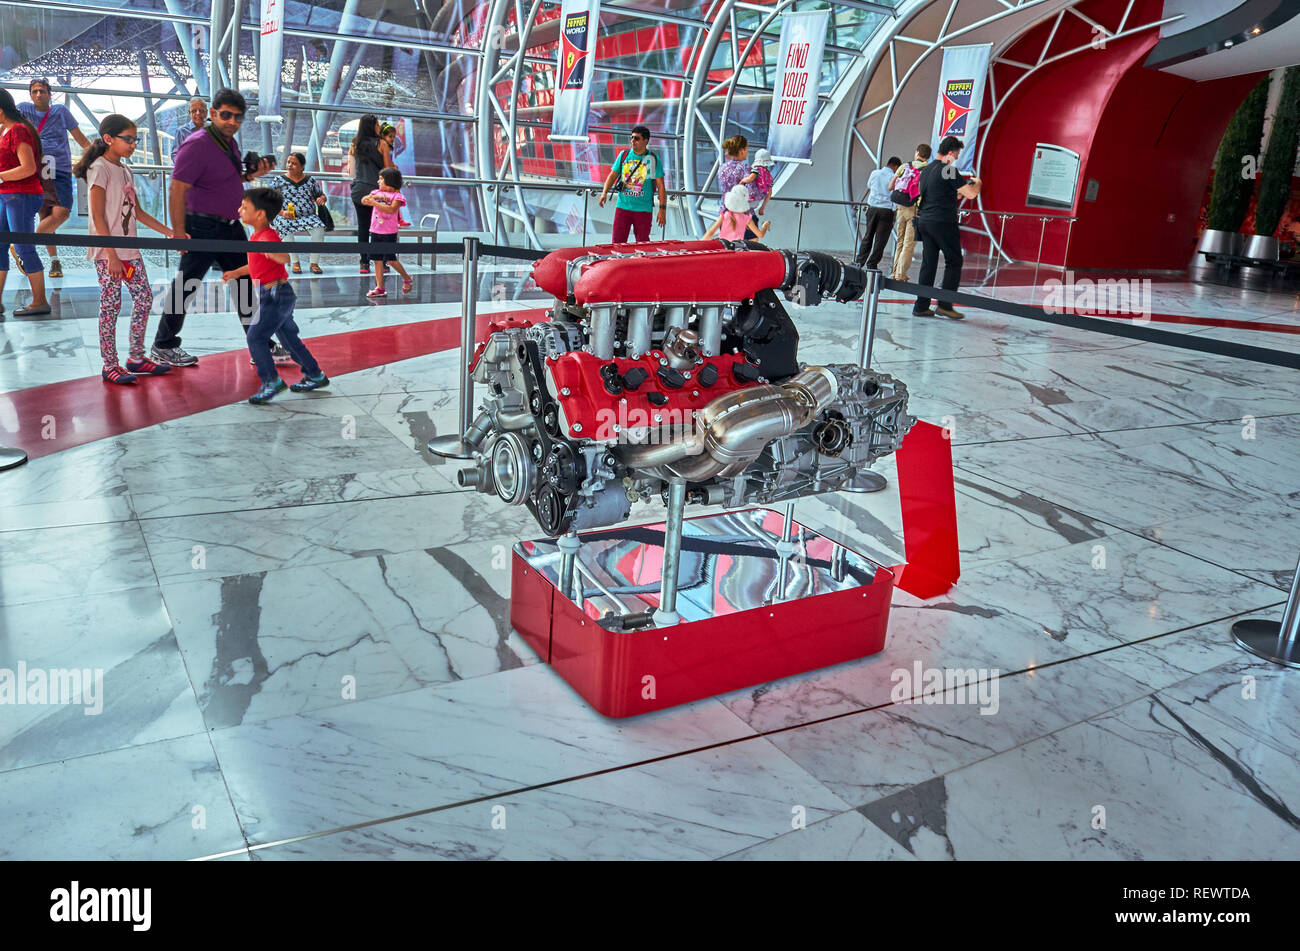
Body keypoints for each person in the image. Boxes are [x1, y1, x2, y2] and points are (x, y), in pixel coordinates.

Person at [151, 87, 277, 368]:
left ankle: (260, 342)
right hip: (202, 226)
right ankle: (163, 344)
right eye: (226, 115)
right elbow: (176, 189)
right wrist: (179, 232)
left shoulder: (227, 143)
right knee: (186, 285)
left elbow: (229, 178)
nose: (232, 121)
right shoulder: (197, 144)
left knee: (243, 283)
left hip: (229, 226)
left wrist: (253, 174)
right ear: (212, 113)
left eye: (238, 117)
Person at [75, 114, 174, 384]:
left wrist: (169, 232)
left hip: (130, 252)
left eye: (135, 140)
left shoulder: (125, 170)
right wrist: (111, 255)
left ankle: (136, 357)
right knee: (111, 305)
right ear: (109, 139)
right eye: (127, 139)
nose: (132, 144)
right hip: (110, 253)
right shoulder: (99, 168)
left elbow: (137, 213)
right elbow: (97, 216)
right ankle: (109, 365)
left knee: (143, 299)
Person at [221, 187, 329, 404]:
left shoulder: (267, 236)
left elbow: (285, 257)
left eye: (245, 207)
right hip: (276, 293)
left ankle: (272, 381)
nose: (239, 209)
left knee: (255, 336)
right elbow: (255, 266)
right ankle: (315, 374)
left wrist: (274, 254)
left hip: (276, 294)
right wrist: (235, 273)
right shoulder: (256, 236)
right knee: (289, 340)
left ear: (260, 213)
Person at [19, 79, 92, 279]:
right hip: (37, 170)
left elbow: (81, 139)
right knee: (46, 217)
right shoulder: (23, 109)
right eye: (34, 91)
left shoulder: (60, 111)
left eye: (42, 91)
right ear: (30, 94)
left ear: (50, 94)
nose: (38, 95)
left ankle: (23, 245)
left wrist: (93, 158)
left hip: (60, 169)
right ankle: (54, 262)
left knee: (62, 212)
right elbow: (6, 128)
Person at [912, 135, 981, 320]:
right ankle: (944, 304)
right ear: (950, 153)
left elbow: (940, 192)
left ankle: (921, 306)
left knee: (929, 264)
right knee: (954, 261)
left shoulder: (927, 170)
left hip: (925, 220)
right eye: (956, 155)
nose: (957, 158)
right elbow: (971, 194)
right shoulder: (948, 170)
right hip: (942, 222)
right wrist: (978, 183)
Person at [0, 87, 50, 316]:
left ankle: (40, 300)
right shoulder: (5, 130)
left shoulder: (18, 131)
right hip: (8, 194)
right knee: (2, 246)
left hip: (20, 195)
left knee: (22, 247)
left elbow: (28, 168)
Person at [597, 125, 666, 243]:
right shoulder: (624, 155)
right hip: (623, 207)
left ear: (646, 141)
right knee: (617, 242)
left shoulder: (653, 159)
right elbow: (612, 175)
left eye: (637, 138)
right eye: (632, 138)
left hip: (643, 209)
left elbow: (661, 186)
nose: (632, 141)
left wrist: (662, 209)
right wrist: (604, 193)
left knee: (642, 243)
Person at [264, 152, 326, 274]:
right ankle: (295, 262)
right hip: (284, 215)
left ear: (302, 167)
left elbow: (321, 195)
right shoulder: (279, 180)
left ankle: (314, 263)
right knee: (285, 226)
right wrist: (281, 213)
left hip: (307, 216)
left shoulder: (310, 180)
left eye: (294, 163)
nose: (290, 165)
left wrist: (322, 199)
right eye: (288, 162)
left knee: (319, 228)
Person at [349, 115, 392, 273]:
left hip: (359, 191)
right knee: (379, 227)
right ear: (373, 126)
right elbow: (388, 170)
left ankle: (364, 263)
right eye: (377, 124)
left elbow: (351, 171)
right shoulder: (382, 144)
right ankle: (381, 262)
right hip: (378, 192)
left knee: (363, 226)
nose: (379, 126)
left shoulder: (355, 144)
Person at [362, 167, 412, 297]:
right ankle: (380, 288)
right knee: (377, 260)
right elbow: (364, 200)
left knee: (390, 260)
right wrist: (376, 197)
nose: (378, 181)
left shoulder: (398, 196)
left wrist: (376, 202)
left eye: (381, 179)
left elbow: (391, 209)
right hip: (375, 231)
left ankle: (406, 278)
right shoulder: (375, 192)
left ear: (390, 181)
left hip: (389, 233)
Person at [889, 143, 930, 281]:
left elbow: (891, 185)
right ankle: (901, 274)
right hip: (915, 210)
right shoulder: (928, 170)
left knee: (900, 241)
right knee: (909, 243)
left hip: (901, 207)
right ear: (928, 157)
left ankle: (895, 272)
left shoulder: (904, 166)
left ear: (917, 152)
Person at [703, 184, 770, 242]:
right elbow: (760, 235)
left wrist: (700, 244)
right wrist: (765, 226)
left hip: (724, 246)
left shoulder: (724, 214)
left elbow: (711, 232)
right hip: (737, 248)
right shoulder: (746, 218)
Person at [747, 148, 775, 227]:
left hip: (748, 200)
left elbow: (750, 179)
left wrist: (742, 181)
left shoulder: (756, 170)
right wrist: (762, 207)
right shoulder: (769, 176)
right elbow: (769, 194)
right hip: (757, 202)